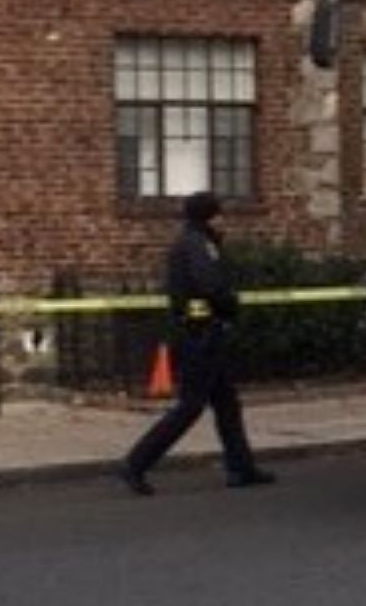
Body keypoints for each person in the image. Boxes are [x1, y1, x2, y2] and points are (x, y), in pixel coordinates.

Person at [118, 191, 275, 496]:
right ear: (210, 216)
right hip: (202, 334)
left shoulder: (192, 241)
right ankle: (136, 463)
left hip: (200, 330)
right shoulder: (198, 244)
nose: (222, 220)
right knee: (190, 406)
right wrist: (229, 304)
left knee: (227, 404)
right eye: (219, 215)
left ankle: (241, 468)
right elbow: (210, 286)